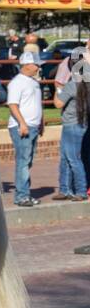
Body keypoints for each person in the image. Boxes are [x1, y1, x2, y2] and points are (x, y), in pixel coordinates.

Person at [53, 49, 89, 201]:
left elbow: (57, 103)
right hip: (83, 123)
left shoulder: (71, 85)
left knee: (72, 159)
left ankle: (80, 191)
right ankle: (65, 189)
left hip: (71, 124)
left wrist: (57, 89)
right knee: (67, 158)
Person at [7, 61, 44, 207]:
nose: (39, 68)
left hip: (33, 126)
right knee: (23, 161)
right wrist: (22, 123)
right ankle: (21, 196)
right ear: (27, 65)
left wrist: (41, 122)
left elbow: (37, 103)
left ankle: (25, 193)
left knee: (28, 161)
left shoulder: (33, 82)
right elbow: (12, 104)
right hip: (22, 126)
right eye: (36, 65)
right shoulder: (17, 83)